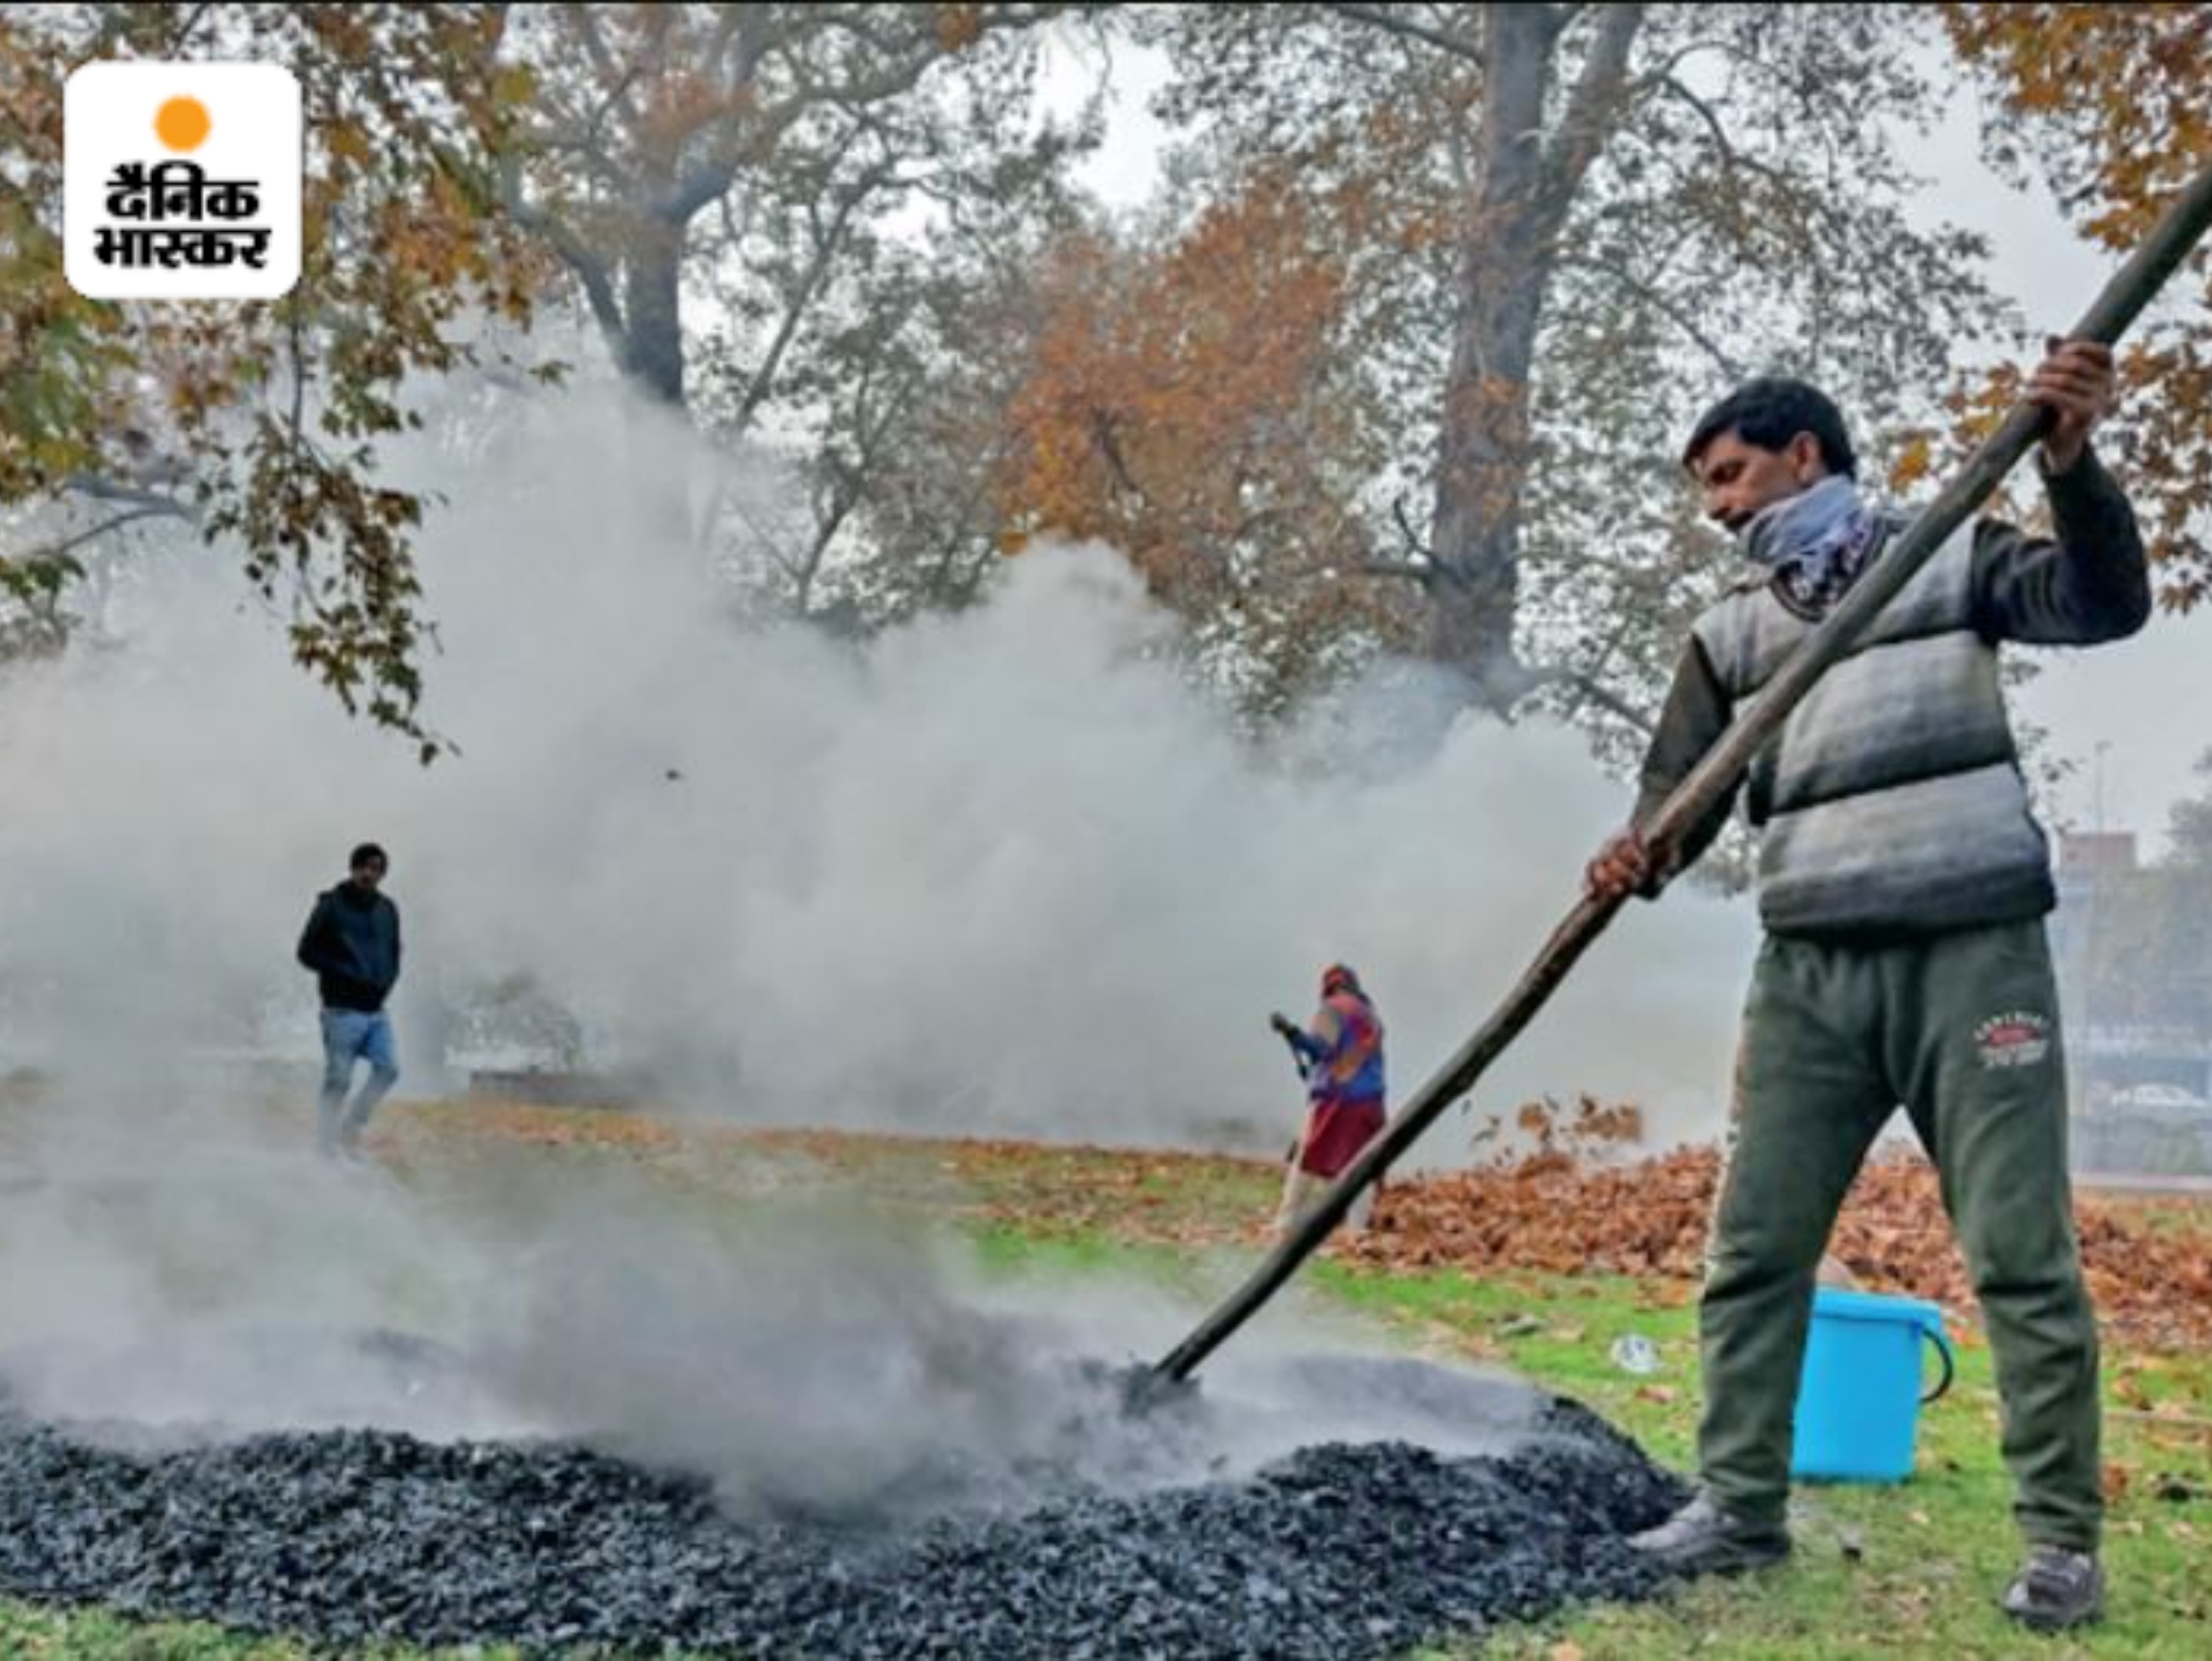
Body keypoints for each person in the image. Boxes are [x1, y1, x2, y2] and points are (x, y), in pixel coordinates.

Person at [1588, 339, 2147, 1632]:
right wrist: (1636, 850)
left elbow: (2103, 602)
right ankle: (1736, 1506)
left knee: (2019, 1253)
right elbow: (1680, 799)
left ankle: (2061, 1540)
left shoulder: (1948, 550)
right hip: (1812, 975)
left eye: (1732, 474)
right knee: (1754, 1249)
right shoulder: (1729, 633)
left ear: (1805, 454)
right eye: (1707, 491)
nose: (1720, 506)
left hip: (1974, 953)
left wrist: (2070, 463)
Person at [296, 842, 403, 1159]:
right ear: (353, 868)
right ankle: (325, 1146)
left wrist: (387, 982)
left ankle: (351, 1127)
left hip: (376, 1011)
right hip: (341, 1010)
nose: (370, 874)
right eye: (365, 867)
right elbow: (306, 952)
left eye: (377, 869)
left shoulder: (388, 909)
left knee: (388, 1070)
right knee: (339, 1080)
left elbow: (396, 951)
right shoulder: (331, 906)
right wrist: (344, 973)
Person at [1270, 963, 1387, 1234]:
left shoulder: (1333, 1008)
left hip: (1335, 1100)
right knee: (1362, 1164)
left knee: (1308, 1157)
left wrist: (1291, 1032)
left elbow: (1319, 1048)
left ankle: (1286, 1221)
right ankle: (1358, 1229)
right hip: (1371, 1102)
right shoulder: (1372, 1017)